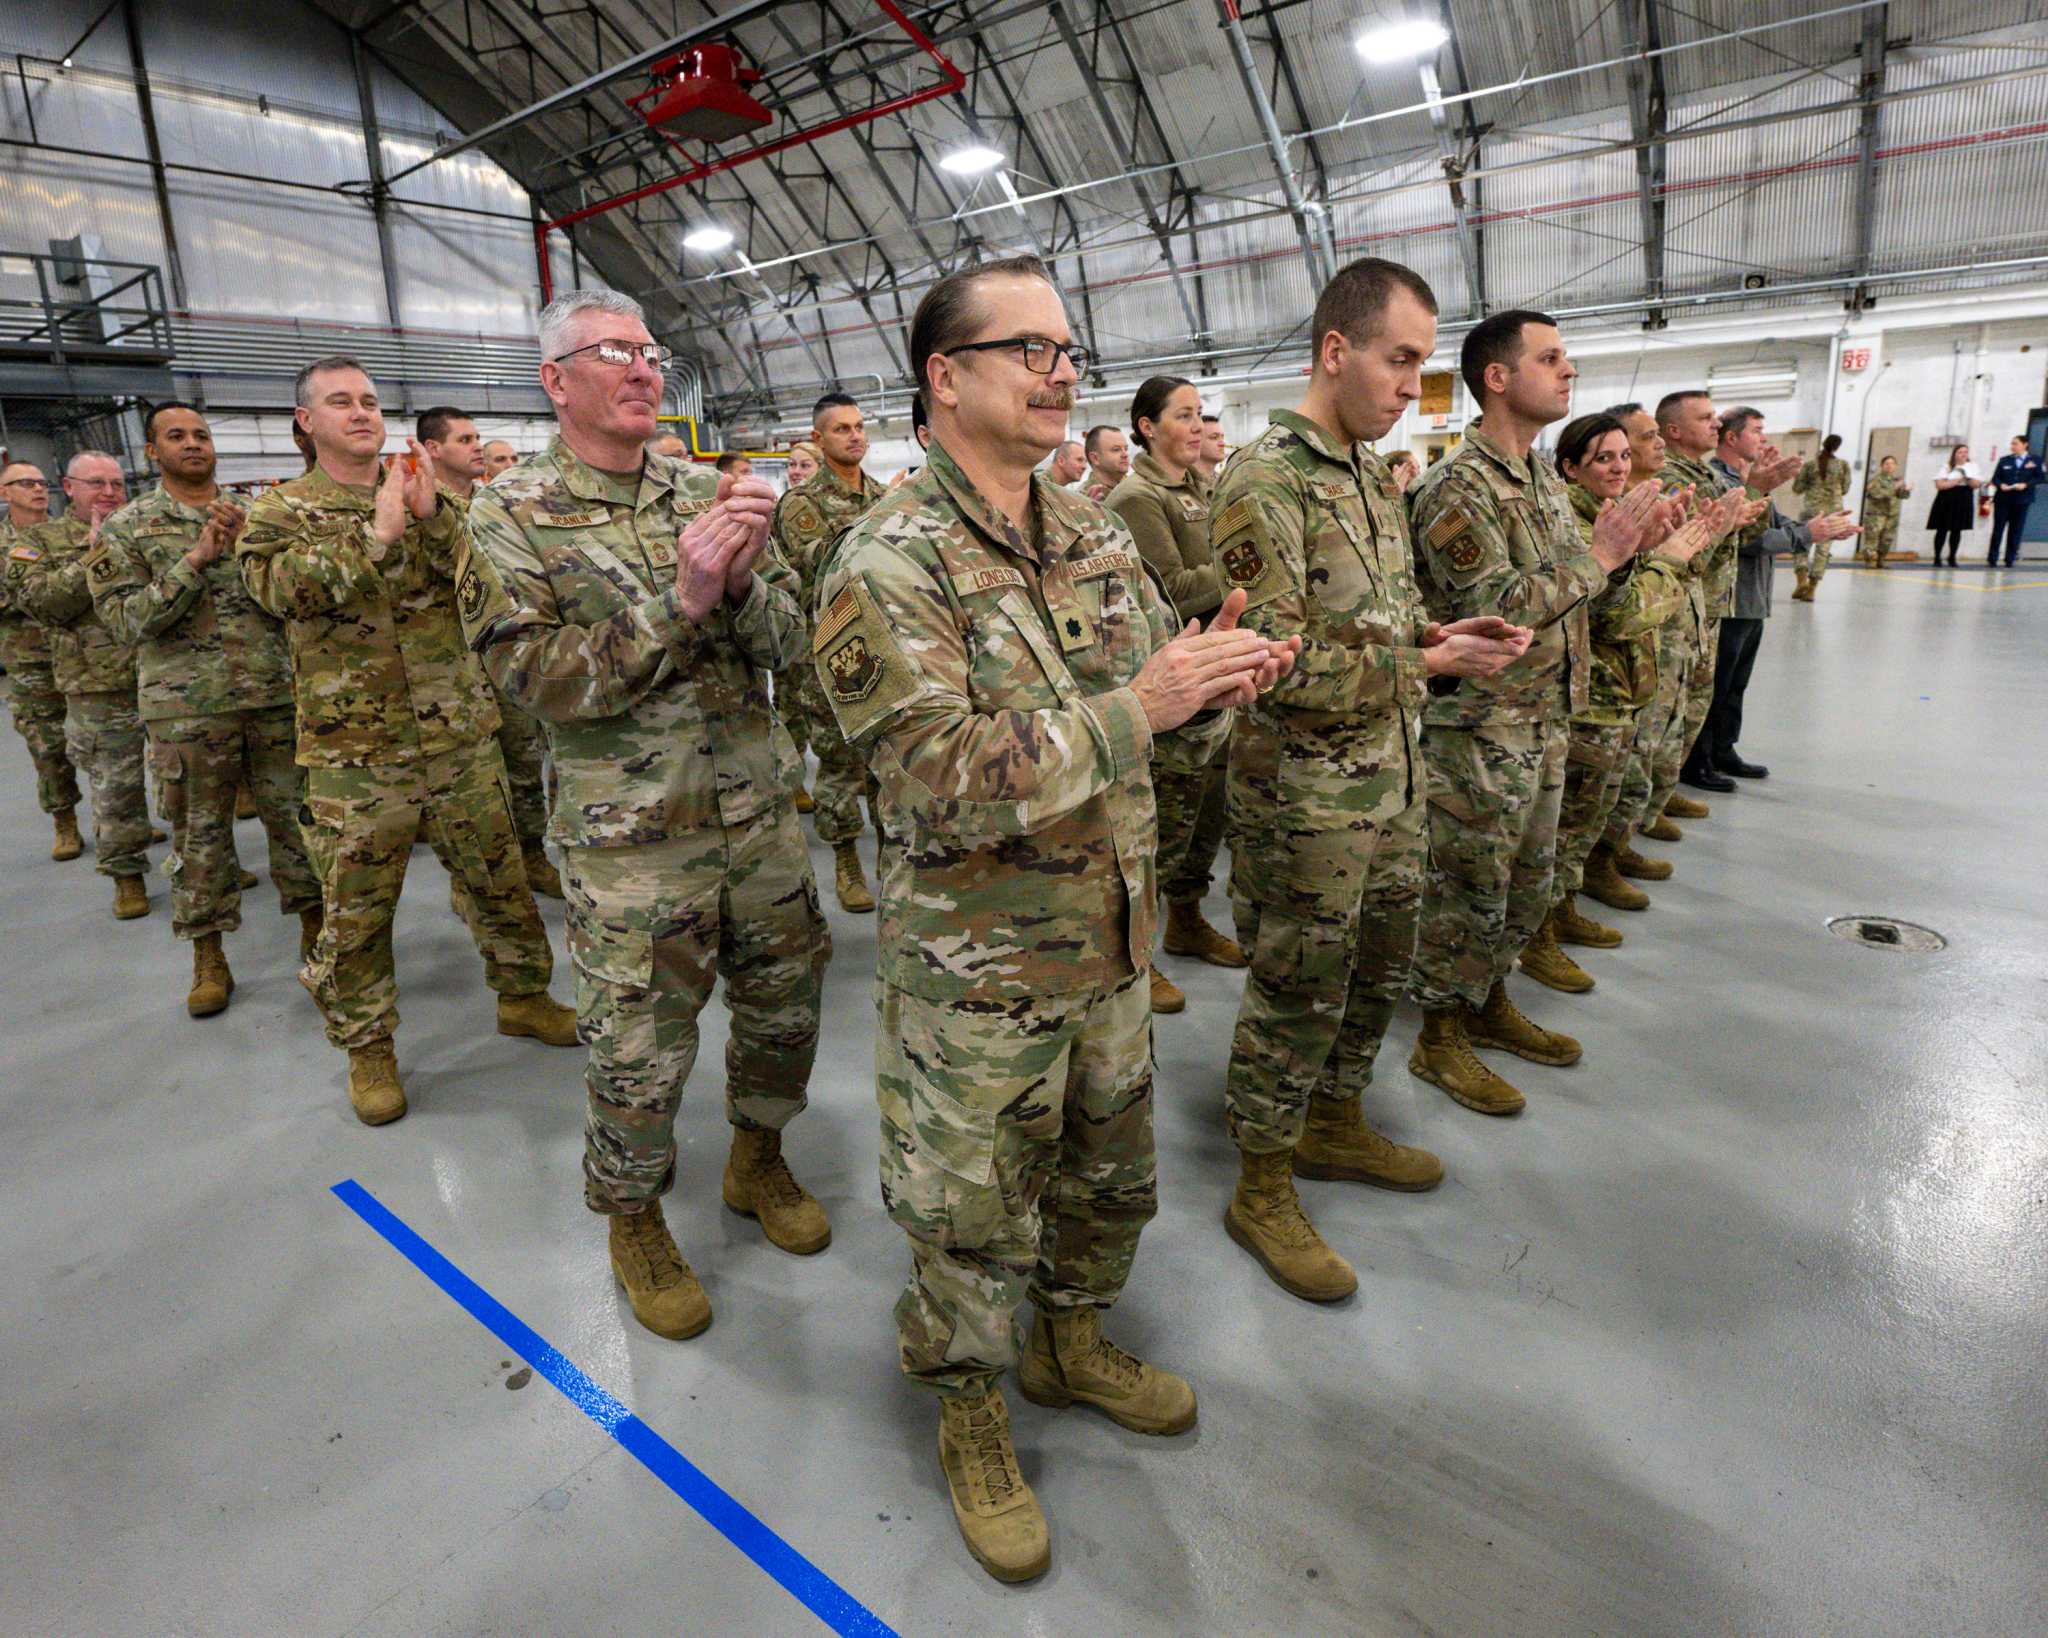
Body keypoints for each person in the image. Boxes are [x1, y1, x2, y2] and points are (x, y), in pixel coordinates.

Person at [814, 255, 1293, 1584]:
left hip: (1114, 941)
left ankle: (1069, 1340)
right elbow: (932, 763)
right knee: (972, 1211)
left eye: (1066, 346)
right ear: (944, 377)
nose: (1060, 369)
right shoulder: (886, 560)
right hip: (979, 975)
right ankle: (971, 1403)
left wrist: (1224, 676)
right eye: (1026, 348)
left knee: (1109, 1174)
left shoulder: (1093, 533)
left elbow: (1143, 710)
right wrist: (1144, 704)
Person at [461, 291, 832, 1343]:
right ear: (556, 380)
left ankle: (757, 1160)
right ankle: (632, 1218)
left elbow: (787, 645)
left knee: (786, 1005)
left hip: (754, 815)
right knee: (637, 1049)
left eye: (649, 352)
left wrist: (748, 582)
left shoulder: (701, 488)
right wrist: (680, 599)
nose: (640, 369)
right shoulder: (511, 512)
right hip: (632, 845)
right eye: (612, 353)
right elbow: (534, 682)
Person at [1214, 258, 1527, 1298]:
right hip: (1306, 798)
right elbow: (1268, 662)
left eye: (1422, 366)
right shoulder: (1265, 480)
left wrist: (1432, 631)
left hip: (1386, 786)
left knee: (1378, 967)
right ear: (1333, 351)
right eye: (1398, 360)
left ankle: (1334, 1120)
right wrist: (1427, 665)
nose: (1410, 386)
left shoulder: (1360, 474)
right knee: (1297, 988)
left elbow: (1360, 621)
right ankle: (1260, 1181)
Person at [239, 356, 576, 1126]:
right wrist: (377, 537)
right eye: (339, 402)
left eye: (368, 400)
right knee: (355, 910)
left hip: (457, 733)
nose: (360, 412)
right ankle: (369, 1048)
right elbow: (276, 593)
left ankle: (524, 996)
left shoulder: (433, 498)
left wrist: (427, 520)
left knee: (499, 880)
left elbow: (479, 579)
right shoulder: (280, 513)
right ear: (306, 421)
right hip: (355, 755)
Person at [1405, 312, 1661, 1117]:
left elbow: (1576, 592)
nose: (1568, 372)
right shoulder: (1457, 487)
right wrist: (1602, 556)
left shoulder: (1543, 479)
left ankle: (1487, 1000)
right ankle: (1439, 1035)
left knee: (1526, 882)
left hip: (1547, 717)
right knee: (1469, 890)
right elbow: (1498, 610)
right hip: (1482, 728)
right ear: (1497, 377)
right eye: (1550, 359)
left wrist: (1627, 556)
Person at [88, 404, 321, 1014]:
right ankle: (209, 955)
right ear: (152, 452)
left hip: (274, 696)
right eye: (176, 436)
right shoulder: (128, 527)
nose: (192, 444)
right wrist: (193, 561)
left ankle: (319, 938)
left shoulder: (257, 514)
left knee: (301, 824)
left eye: (201, 434)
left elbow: (295, 599)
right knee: (201, 838)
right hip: (187, 707)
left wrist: (254, 548)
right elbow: (124, 621)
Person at [1526, 414, 1731, 988]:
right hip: (1591, 698)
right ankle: (1540, 934)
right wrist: (1666, 557)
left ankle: (1563, 912)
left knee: (1592, 817)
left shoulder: (1617, 515)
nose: (1618, 467)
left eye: (1623, 455)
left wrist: (1671, 548)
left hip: (1623, 692)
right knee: (1563, 832)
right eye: (1603, 458)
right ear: (1570, 468)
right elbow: (1621, 616)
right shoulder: (1580, 521)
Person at [1105, 375, 1244, 1013]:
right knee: (1164, 826)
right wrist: (1249, 565)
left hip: (1216, 672)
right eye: (1183, 417)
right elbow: (1173, 591)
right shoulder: (1139, 497)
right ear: (1147, 427)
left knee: (1207, 816)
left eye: (1199, 416)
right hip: (1170, 684)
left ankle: (1186, 920)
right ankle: (1145, 953)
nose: (1196, 427)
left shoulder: (1203, 488)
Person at [419, 405, 559, 897]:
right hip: (448, 669)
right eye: (464, 440)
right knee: (468, 786)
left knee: (524, 764)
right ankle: (471, 885)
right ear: (433, 449)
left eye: (478, 437)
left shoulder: (494, 504)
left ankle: (534, 856)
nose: (476, 446)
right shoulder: (420, 506)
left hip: (502, 654)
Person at [7, 452, 153, 918]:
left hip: (161, 673)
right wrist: (90, 558)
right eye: (96, 483)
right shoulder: (38, 542)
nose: (109, 492)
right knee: (117, 787)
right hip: (96, 682)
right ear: (69, 488)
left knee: (184, 783)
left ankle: (198, 865)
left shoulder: (145, 527)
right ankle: (126, 875)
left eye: (116, 483)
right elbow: (41, 604)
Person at [770, 391, 888, 911]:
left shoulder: (882, 495)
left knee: (887, 760)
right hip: (829, 650)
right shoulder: (800, 504)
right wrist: (877, 530)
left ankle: (892, 850)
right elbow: (815, 565)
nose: (855, 435)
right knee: (839, 762)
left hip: (885, 647)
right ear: (818, 440)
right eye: (842, 429)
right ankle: (845, 860)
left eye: (860, 426)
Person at [1705, 408, 1859, 783]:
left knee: (1736, 684)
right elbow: (1752, 539)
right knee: (1715, 685)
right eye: (1757, 431)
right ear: (1731, 437)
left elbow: (1776, 523)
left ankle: (1724, 750)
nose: (1764, 438)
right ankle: (1701, 758)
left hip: (1752, 597)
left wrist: (1816, 528)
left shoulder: (1748, 480)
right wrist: (1808, 535)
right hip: (1729, 598)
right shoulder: (1719, 482)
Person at [1661, 393, 1797, 799]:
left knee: (1710, 692)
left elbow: (1744, 532)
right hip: (1684, 607)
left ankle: (1690, 770)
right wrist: (1752, 490)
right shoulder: (1673, 478)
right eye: (1705, 419)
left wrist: (1755, 491)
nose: (1715, 426)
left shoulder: (1707, 476)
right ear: (1674, 431)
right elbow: (1693, 543)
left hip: (1713, 603)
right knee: (1681, 701)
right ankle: (1677, 778)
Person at [0, 462, 83, 859]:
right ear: (5, 492)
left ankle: (121, 817)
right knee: (48, 745)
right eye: (25, 483)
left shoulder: (67, 533)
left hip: (83, 651)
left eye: (41, 482)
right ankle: (64, 818)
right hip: (31, 661)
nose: (37, 489)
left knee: (111, 742)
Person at [1787, 434, 1850, 602]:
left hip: (1811, 511)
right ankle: (1812, 589)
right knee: (1823, 551)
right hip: (1833, 512)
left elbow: (1798, 488)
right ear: (1837, 447)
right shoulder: (1843, 466)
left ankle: (1801, 581)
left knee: (1802, 544)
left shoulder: (1809, 465)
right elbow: (1845, 489)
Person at [1988, 436, 2042, 566]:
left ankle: (2010, 558)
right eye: (2012, 444)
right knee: (1998, 529)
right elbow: (1996, 478)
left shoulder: (2035, 460)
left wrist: (2026, 484)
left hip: (2022, 500)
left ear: (2025, 445)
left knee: (2016, 529)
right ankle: (1993, 558)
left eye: (2015, 444)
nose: (2012, 446)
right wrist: (2001, 485)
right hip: (2003, 499)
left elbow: (2040, 477)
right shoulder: (2005, 460)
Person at [1927, 445, 1981, 566]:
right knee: (1942, 529)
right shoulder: (1947, 466)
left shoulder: (1972, 467)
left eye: (1965, 452)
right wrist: (1955, 481)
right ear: (1955, 454)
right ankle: (1937, 557)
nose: (1963, 454)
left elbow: (1976, 484)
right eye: (1960, 452)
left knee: (1957, 529)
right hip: (1947, 497)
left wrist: (1967, 478)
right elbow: (1940, 485)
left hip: (1963, 497)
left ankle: (1952, 557)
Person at [1860, 455, 1909, 568]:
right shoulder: (1875, 480)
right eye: (1887, 463)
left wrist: (1906, 490)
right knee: (1872, 540)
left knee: (1887, 540)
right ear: (1881, 466)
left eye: (1892, 463)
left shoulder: (1896, 480)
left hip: (1892, 515)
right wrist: (1895, 487)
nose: (1889, 466)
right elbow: (1877, 494)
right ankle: (1869, 562)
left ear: (1896, 466)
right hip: (1876, 515)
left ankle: (1881, 561)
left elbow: (1901, 495)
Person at [1080, 423, 1129, 500]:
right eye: (1116, 450)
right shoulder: (1084, 498)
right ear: (1095, 458)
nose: (1125, 454)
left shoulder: (1136, 486)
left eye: (1126, 449)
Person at [1192, 414, 1226, 490]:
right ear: (1195, 441)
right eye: (1214, 437)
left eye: (1222, 437)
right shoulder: (1184, 481)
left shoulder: (1224, 482)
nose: (1222, 443)